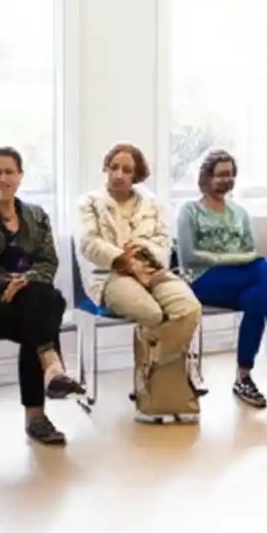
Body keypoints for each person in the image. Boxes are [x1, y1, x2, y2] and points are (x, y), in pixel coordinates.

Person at [0, 147, 85, 446]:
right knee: (49, 304)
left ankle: (39, 408)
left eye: (9, 172)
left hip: (31, 301)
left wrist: (24, 281)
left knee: (38, 309)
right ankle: (50, 373)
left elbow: (49, 261)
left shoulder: (37, 216)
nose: (3, 178)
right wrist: (7, 283)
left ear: (20, 175)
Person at [176, 150, 267, 408]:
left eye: (230, 175)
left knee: (257, 298)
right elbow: (188, 257)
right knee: (265, 268)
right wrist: (231, 260)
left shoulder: (239, 213)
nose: (226, 180)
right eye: (220, 175)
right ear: (206, 177)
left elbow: (249, 251)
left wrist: (239, 260)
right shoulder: (190, 211)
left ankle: (244, 376)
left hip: (237, 280)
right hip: (202, 281)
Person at [77, 142, 203, 416]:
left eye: (127, 170)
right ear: (105, 169)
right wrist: (122, 258)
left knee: (189, 309)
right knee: (152, 313)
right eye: (114, 167)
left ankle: (152, 370)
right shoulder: (89, 203)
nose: (119, 174)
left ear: (137, 175)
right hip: (109, 275)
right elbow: (88, 243)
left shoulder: (153, 205)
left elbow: (162, 242)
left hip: (151, 269)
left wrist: (145, 255)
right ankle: (154, 378)